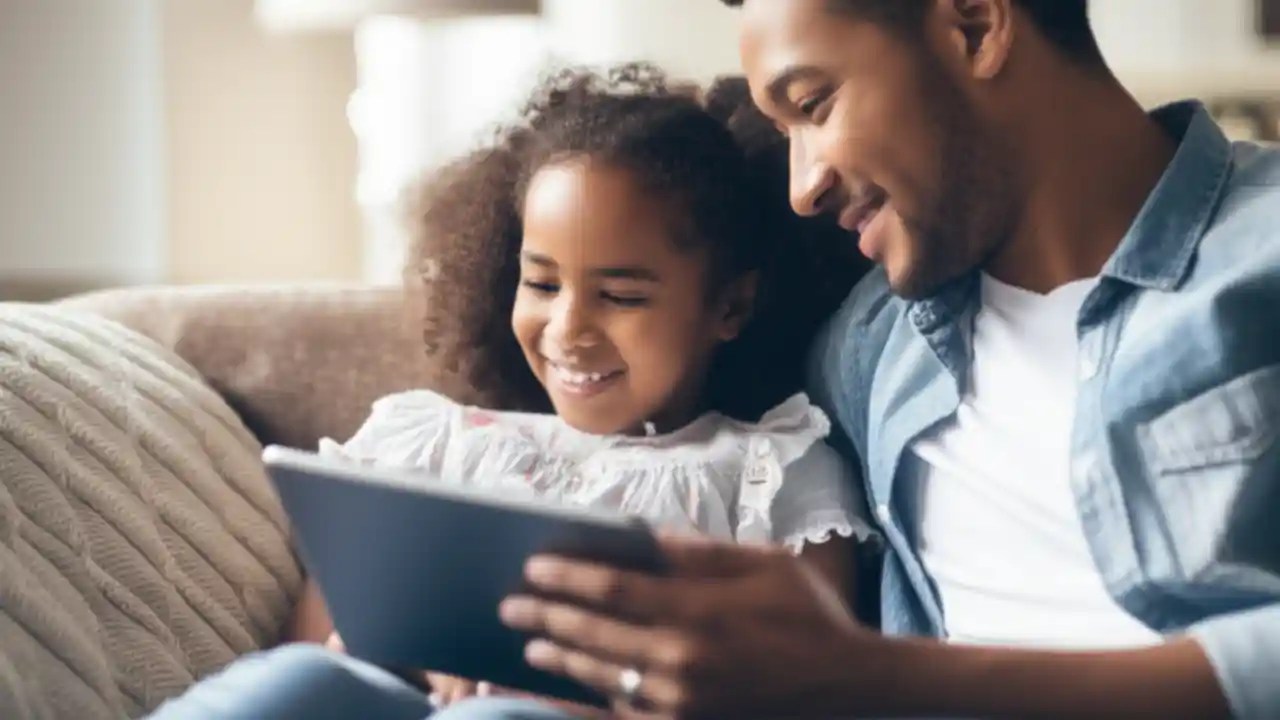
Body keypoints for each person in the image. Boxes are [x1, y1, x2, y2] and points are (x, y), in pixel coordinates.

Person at [470, 0, 1280, 718]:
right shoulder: (867, 348)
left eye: (813, 105)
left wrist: (875, 677)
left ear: (974, 26)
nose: (802, 188)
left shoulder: (1261, 254)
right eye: (785, 134)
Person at [148, 65, 875, 719]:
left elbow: (813, 688)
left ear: (731, 306)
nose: (569, 329)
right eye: (542, 284)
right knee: (297, 681)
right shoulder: (433, 445)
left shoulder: (769, 472)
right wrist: (423, 661)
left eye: (621, 296)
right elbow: (318, 647)